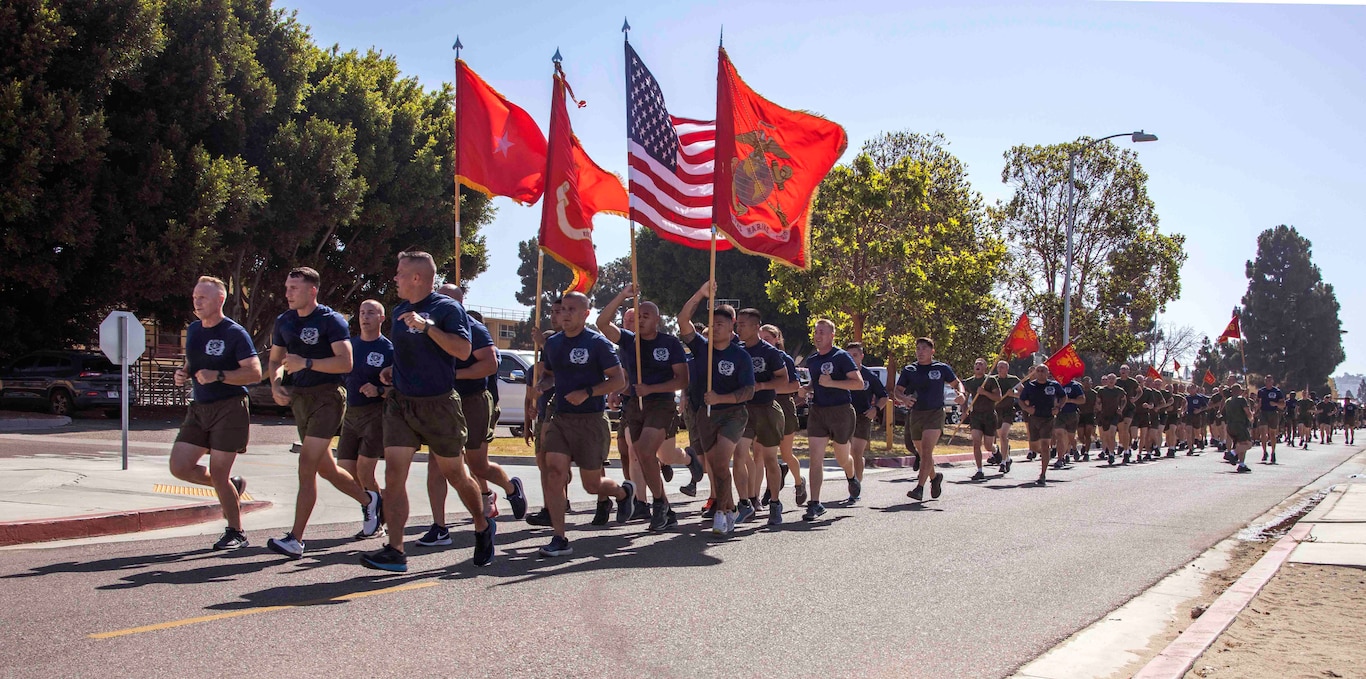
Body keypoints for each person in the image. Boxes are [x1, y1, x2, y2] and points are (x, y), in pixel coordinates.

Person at [360, 252, 493, 572]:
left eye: (400, 273)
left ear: (417, 278)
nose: (395, 278)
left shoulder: (447, 309)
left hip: (440, 405)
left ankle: (482, 524)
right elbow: (411, 353)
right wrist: (392, 370)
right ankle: (395, 550)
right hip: (400, 404)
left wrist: (428, 326)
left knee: (457, 474)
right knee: (394, 474)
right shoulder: (400, 310)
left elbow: (461, 350)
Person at [265, 267, 381, 560]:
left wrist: (305, 362)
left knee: (307, 463)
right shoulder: (284, 320)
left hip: (328, 397)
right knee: (326, 469)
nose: (288, 293)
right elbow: (276, 360)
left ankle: (295, 539)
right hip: (300, 400)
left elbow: (345, 363)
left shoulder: (331, 321)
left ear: (312, 290)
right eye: (287, 287)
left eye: (294, 288)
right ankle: (370, 501)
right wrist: (276, 383)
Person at [417, 284, 525, 549]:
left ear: (458, 303)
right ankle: (440, 527)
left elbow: (489, 365)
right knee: (436, 465)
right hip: (440, 403)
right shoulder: (428, 329)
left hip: (472, 401)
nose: (437, 304)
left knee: (478, 465)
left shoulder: (473, 328)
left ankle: (511, 488)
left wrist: (454, 375)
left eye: (444, 299)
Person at [536, 291, 638, 556]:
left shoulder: (597, 343)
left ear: (585, 314)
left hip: (591, 421)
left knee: (591, 485)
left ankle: (623, 493)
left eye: (571, 309)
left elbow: (619, 381)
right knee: (554, 472)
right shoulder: (553, 344)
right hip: (561, 417)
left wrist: (588, 392)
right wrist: (543, 383)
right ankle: (559, 537)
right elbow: (549, 375)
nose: (565, 314)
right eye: (561, 310)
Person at [169, 276, 263, 551]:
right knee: (180, 467)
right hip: (199, 407)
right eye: (195, 297)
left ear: (220, 300)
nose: (196, 302)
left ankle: (237, 532)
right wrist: (183, 372)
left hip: (230, 407)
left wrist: (219, 375)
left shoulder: (234, 333)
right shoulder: (195, 330)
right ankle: (233, 486)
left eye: (203, 297)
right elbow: (193, 362)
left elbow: (255, 372)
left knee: (219, 473)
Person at [597, 285, 689, 532]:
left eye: (646, 315)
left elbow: (682, 379)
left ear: (658, 319)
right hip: (634, 405)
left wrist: (652, 389)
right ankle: (665, 506)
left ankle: (658, 503)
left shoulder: (669, 343)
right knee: (639, 454)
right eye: (637, 315)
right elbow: (602, 323)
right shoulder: (629, 341)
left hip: (660, 404)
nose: (640, 319)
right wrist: (621, 297)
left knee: (647, 451)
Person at [678, 283, 756, 534]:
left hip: (733, 414)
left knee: (721, 460)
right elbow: (682, 320)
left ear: (731, 325)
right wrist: (700, 294)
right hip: (705, 414)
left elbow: (748, 391)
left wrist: (721, 398)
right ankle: (731, 507)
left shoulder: (740, 356)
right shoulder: (702, 348)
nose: (715, 328)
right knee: (717, 467)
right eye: (712, 324)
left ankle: (722, 513)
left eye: (720, 324)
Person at [337, 299, 392, 538]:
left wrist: (379, 390)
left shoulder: (388, 350)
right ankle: (375, 504)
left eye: (371, 312)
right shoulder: (350, 345)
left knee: (364, 469)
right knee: (345, 469)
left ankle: (374, 518)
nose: (365, 317)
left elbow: (400, 389)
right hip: (351, 414)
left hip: (376, 415)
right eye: (361, 312)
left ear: (381, 318)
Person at [799, 319, 864, 519]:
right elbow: (816, 382)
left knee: (842, 457)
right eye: (816, 332)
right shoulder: (812, 360)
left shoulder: (841, 356)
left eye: (822, 332)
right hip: (818, 411)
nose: (817, 336)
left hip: (841, 411)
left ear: (832, 336)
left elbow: (858, 384)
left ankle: (851, 477)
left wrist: (832, 382)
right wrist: (807, 389)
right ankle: (815, 503)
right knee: (815, 459)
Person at [733, 309, 790, 524]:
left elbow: (783, 380)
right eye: (738, 324)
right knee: (739, 454)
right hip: (742, 411)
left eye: (744, 325)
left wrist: (763, 385)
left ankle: (774, 502)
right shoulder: (735, 351)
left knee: (769, 459)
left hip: (766, 408)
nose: (739, 328)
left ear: (756, 327)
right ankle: (745, 503)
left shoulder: (770, 352)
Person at [894, 337, 963, 501]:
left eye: (924, 348)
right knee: (923, 453)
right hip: (916, 414)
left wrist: (961, 393)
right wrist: (903, 399)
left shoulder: (941, 368)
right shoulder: (910, 369)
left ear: (932, 351)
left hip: (935, 413)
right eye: (918, 348)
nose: (920, 352)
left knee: (926, 451)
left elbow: (957, 383)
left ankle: (919, 488)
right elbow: (897, 390)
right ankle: (934, 477)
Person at [761, 324, 807, 507]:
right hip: (763, 406)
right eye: (760, 337)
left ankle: (799, 482)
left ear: (776, 339)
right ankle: (770, 492)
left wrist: (770, 386)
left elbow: (795, 386)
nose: (763, 341)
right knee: (767, 455)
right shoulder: (755, 358)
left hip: (784, 406)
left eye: (767, 338)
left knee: (786, 453)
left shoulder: (784, 358)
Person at [846, 342, 889, 488]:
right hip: (843, 416)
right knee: (847, 454)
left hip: (863, 417)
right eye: (849, 355)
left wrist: (875, 409)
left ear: (862, 356)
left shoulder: (869, 376)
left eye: (855, 355)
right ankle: (857, 469)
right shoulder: (841, 374)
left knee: (856, 452)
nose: (852, 358)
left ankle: (855, 486)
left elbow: (884, 396)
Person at [961, 358, 1006, 478]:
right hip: (976, 415)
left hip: (989, 415)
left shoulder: (990, 380)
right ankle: (979, 470)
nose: (978, 366)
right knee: (976, 442)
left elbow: (998, 397)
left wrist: (985, 392)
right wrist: (964, 410)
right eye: (976, 364)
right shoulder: (970, 382)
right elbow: (964, 398)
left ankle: (995, 451)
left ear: (985, 367)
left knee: (988, 445)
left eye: (981, 364)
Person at [1017, 365, 1062, 485]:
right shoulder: (1030, 386)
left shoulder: (1054, 385)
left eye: (1043, 371)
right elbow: (1021, 400)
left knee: (1045, 445)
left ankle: (1043, 474)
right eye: (1038, 371)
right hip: (1034, 418)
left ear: (1047, 373)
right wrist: (1027, 408)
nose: (1041, 373)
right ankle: (1044, 453)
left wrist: (1058, 408)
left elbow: (1064, 397)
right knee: (1035, 446)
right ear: (1035, 373)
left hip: (1048, 418)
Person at [992, 361, 1023, 466]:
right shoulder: (993, 380)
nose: (1000, 369)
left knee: (1004, 434)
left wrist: (1013, 394)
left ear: (1007, 369)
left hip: (1008, 410)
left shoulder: (1013, 379)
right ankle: (1007, 457)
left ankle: (1003, 462)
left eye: (1002, 367)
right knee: (1000, 435)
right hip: (996, 411)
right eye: (998, 367)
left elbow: (1023, 393)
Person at [1052, 376, 1085, 469]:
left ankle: (1074, 449)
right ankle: (1060, 458)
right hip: (1060, 414)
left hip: (1071, 414)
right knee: (1060, 435)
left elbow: (1082, 399)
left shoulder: (1075, 386)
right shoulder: (1056, 386)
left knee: (1070, 437)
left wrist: (1069, 400)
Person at [1095, 373, 1128, 465]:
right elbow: (1097, 401)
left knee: (1112, 432)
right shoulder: (1101, 390)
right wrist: (1099, 407)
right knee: (1108, 436)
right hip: (1105, 415)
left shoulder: (1119, 390)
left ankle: (1117, 453)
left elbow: (1124, 400)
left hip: (1115, 414)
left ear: (1115, 380)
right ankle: (1110, 452)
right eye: (1109, 379)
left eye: (1113, 379)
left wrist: (1121, 408)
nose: (1111, 380)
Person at [1223, 384, 1256, 473]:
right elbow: (1247, 412)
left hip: (1230, 426)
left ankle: (1241, 464)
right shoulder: (1242, 400)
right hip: (1240, 425)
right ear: (1239, 391)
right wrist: (1251, 417)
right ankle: (1232, 453)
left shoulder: (1228, 401)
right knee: (1248, 444)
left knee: (1241, 444)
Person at [1255, 375, 1285, 464]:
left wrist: (1275, 404)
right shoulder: (1261, 391)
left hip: (1273, 413)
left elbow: (1282, 404)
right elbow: (1259, 403)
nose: (1268, 382)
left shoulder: (1277, 391)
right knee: (1263, 433)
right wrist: (1255, 411)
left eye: (1270, 381)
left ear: (1272, 381)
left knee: (1272, 434)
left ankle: (1273, 452)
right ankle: (1264, 452)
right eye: (1266, 381)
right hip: (1263, 413)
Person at [1184, 383, 1209, 457]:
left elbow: (1206, 407)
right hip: (1189, 416)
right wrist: (1183, 411)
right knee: (1188, 432)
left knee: (1197, 433)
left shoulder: (1200, 397)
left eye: (1193, 388)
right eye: (1190, 388)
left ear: (1196, 389)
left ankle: (1200, 440)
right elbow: (1184, 406)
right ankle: (1190, 448)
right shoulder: (1187, 398)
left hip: (1197, 416)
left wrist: (1199, 410)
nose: (1191, 390)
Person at [1077, 376, 1099, 460]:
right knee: (1080, 435)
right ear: (1082, 383)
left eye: (1088, 382)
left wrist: (1096, 409)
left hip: (1090, 414)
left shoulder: (1094, 393)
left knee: (1088, 433)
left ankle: (1086, 453)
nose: (1086, 383)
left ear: (1091, 383)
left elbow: (1097, 403)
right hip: (1080, 415)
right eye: (1085, 382)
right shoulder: (1079, 392)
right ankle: (1083, 444)